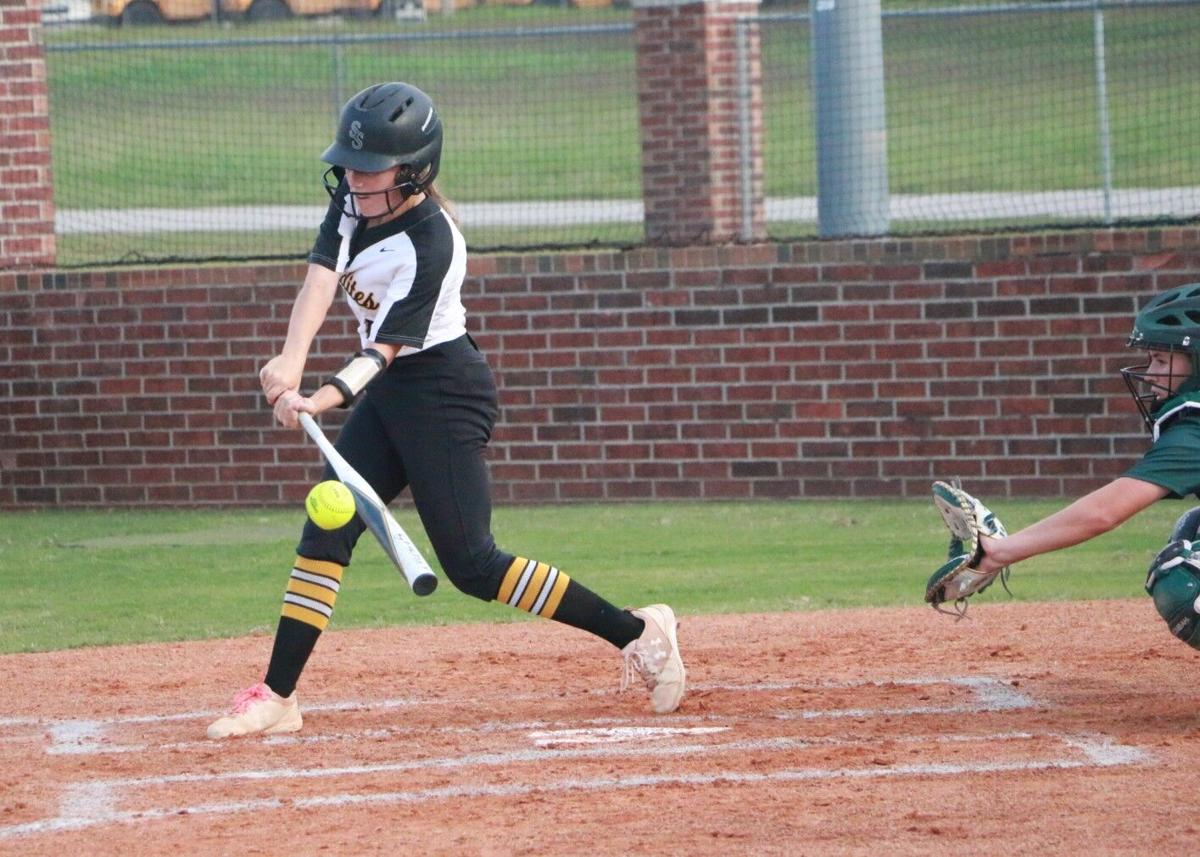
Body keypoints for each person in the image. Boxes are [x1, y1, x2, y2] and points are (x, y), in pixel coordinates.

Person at [207, 82, 685, 738]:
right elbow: (322, 276)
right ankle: (279, 695)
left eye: (368, 167)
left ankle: (639, 631)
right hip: (389, 395)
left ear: (412, 171)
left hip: (444, 392)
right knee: (328, 527)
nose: (352, 177)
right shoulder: (351, 204)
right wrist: (291, 360)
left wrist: (320, 395)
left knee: (472, 565)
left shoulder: (433, 244)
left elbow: (384, 350)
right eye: (349, 162)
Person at [967, 283, 1200, 645]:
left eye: (1162, 359)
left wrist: (998, 552)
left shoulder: (1194, 429)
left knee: (1181, 576)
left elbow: (1102, 512)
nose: (1151, 373)